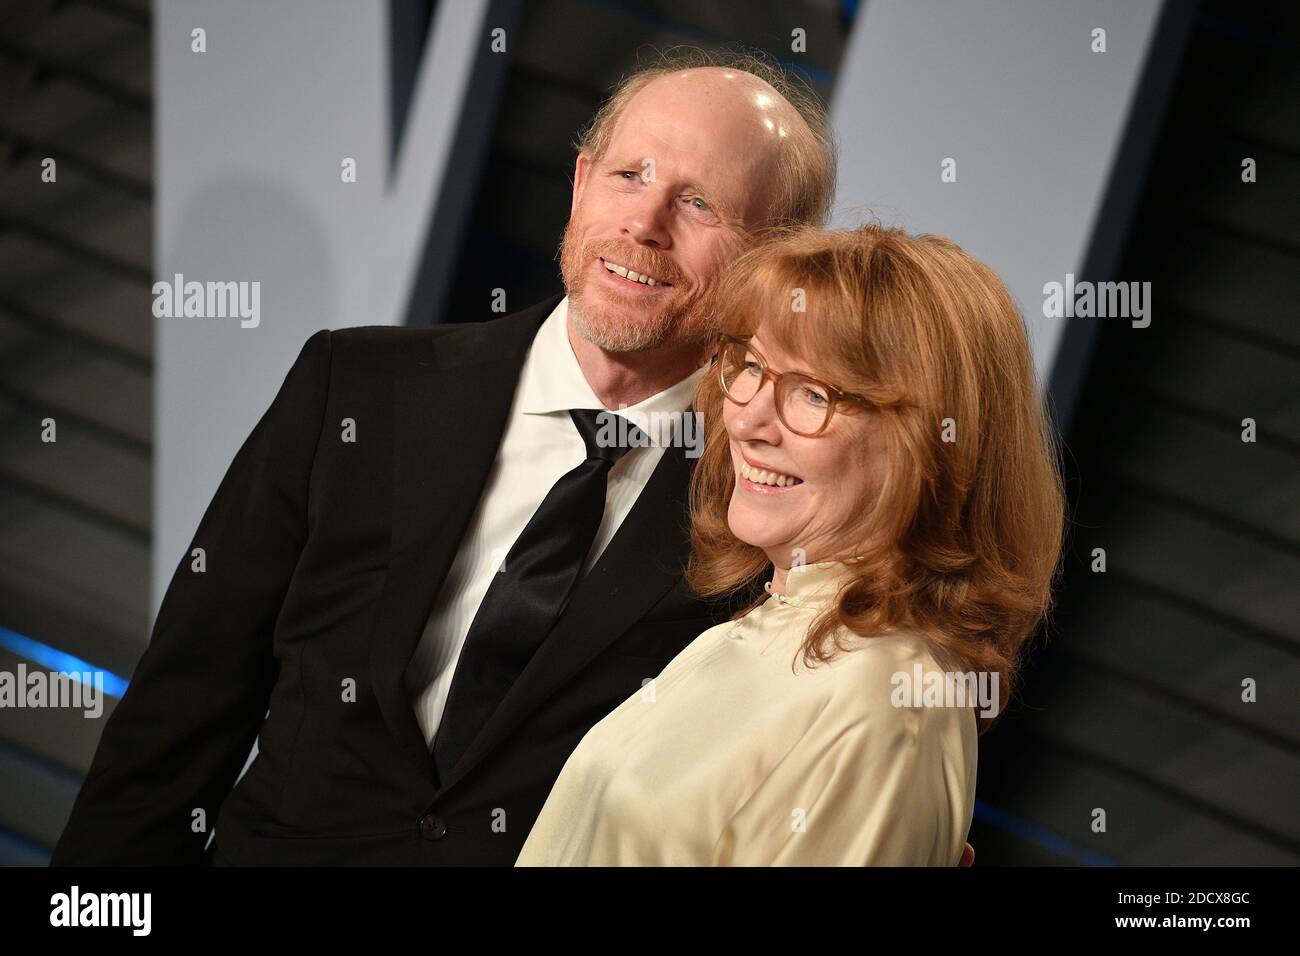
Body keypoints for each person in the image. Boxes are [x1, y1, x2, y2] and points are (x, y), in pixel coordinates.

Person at [49, 50, 838, 866]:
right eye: (629, 175)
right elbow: (180, 713)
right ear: (579, 184)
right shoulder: (356, 388)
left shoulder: (767, 507)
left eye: (700, 201)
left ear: (776, 264)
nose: (645, 222)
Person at [516, 224, 1065, 865]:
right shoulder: (770, 624)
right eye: (751, 366)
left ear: (930, 446)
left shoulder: (889, 704)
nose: (745, 418)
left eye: (812, 393)